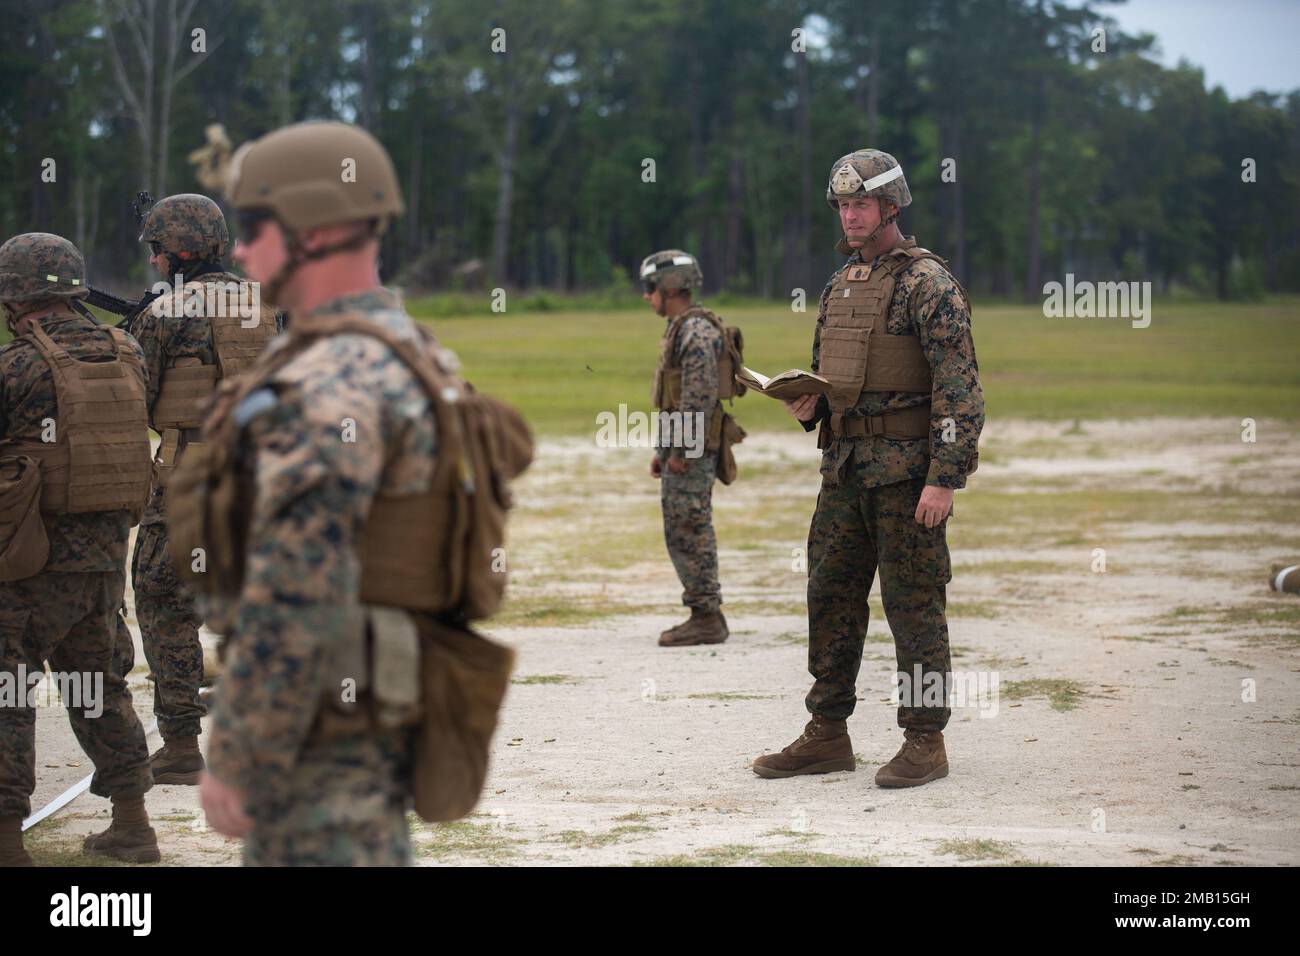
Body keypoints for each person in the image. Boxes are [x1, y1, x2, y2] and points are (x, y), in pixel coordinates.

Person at [752, 149, 984, 788]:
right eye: (843, 205)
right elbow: (838, 381)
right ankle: (827, 732)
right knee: (828, 596)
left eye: (860, 204)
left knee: (914, 606)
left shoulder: (928, 284)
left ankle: (925, 739)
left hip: (908, 478)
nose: (850, 216)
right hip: (844, 471)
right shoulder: (841, 283)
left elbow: (958, 391)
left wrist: (944, 477)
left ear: (890, 207)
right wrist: (808, 404)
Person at [0, 232, 157, 865]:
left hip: (25, 565)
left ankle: (8, 840)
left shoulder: (16, 366)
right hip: (103, 563)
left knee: (8, 690)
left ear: (16, 296)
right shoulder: (128, 353)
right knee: (98, 684)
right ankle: (133, 824)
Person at [128, 192, 278, 785]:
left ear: (174, 252)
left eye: (157, 251)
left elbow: (136, 397)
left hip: (188, 475)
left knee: (165, 601)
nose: (154, 262)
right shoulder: (267, 304)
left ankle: (183, 743)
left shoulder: (163, 313)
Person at [643, 250, 738, 647]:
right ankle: (704, 611)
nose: (646, 296)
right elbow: (677, 396)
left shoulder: (696, 332)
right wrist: (663, 451)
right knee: (683, 525)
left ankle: (706, 616)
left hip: (692, 449)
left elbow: (697, 400)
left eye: (650, 288)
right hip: (682, 446)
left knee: (690, 528)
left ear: (669, 288)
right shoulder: (681, 327)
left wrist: (680, 453)